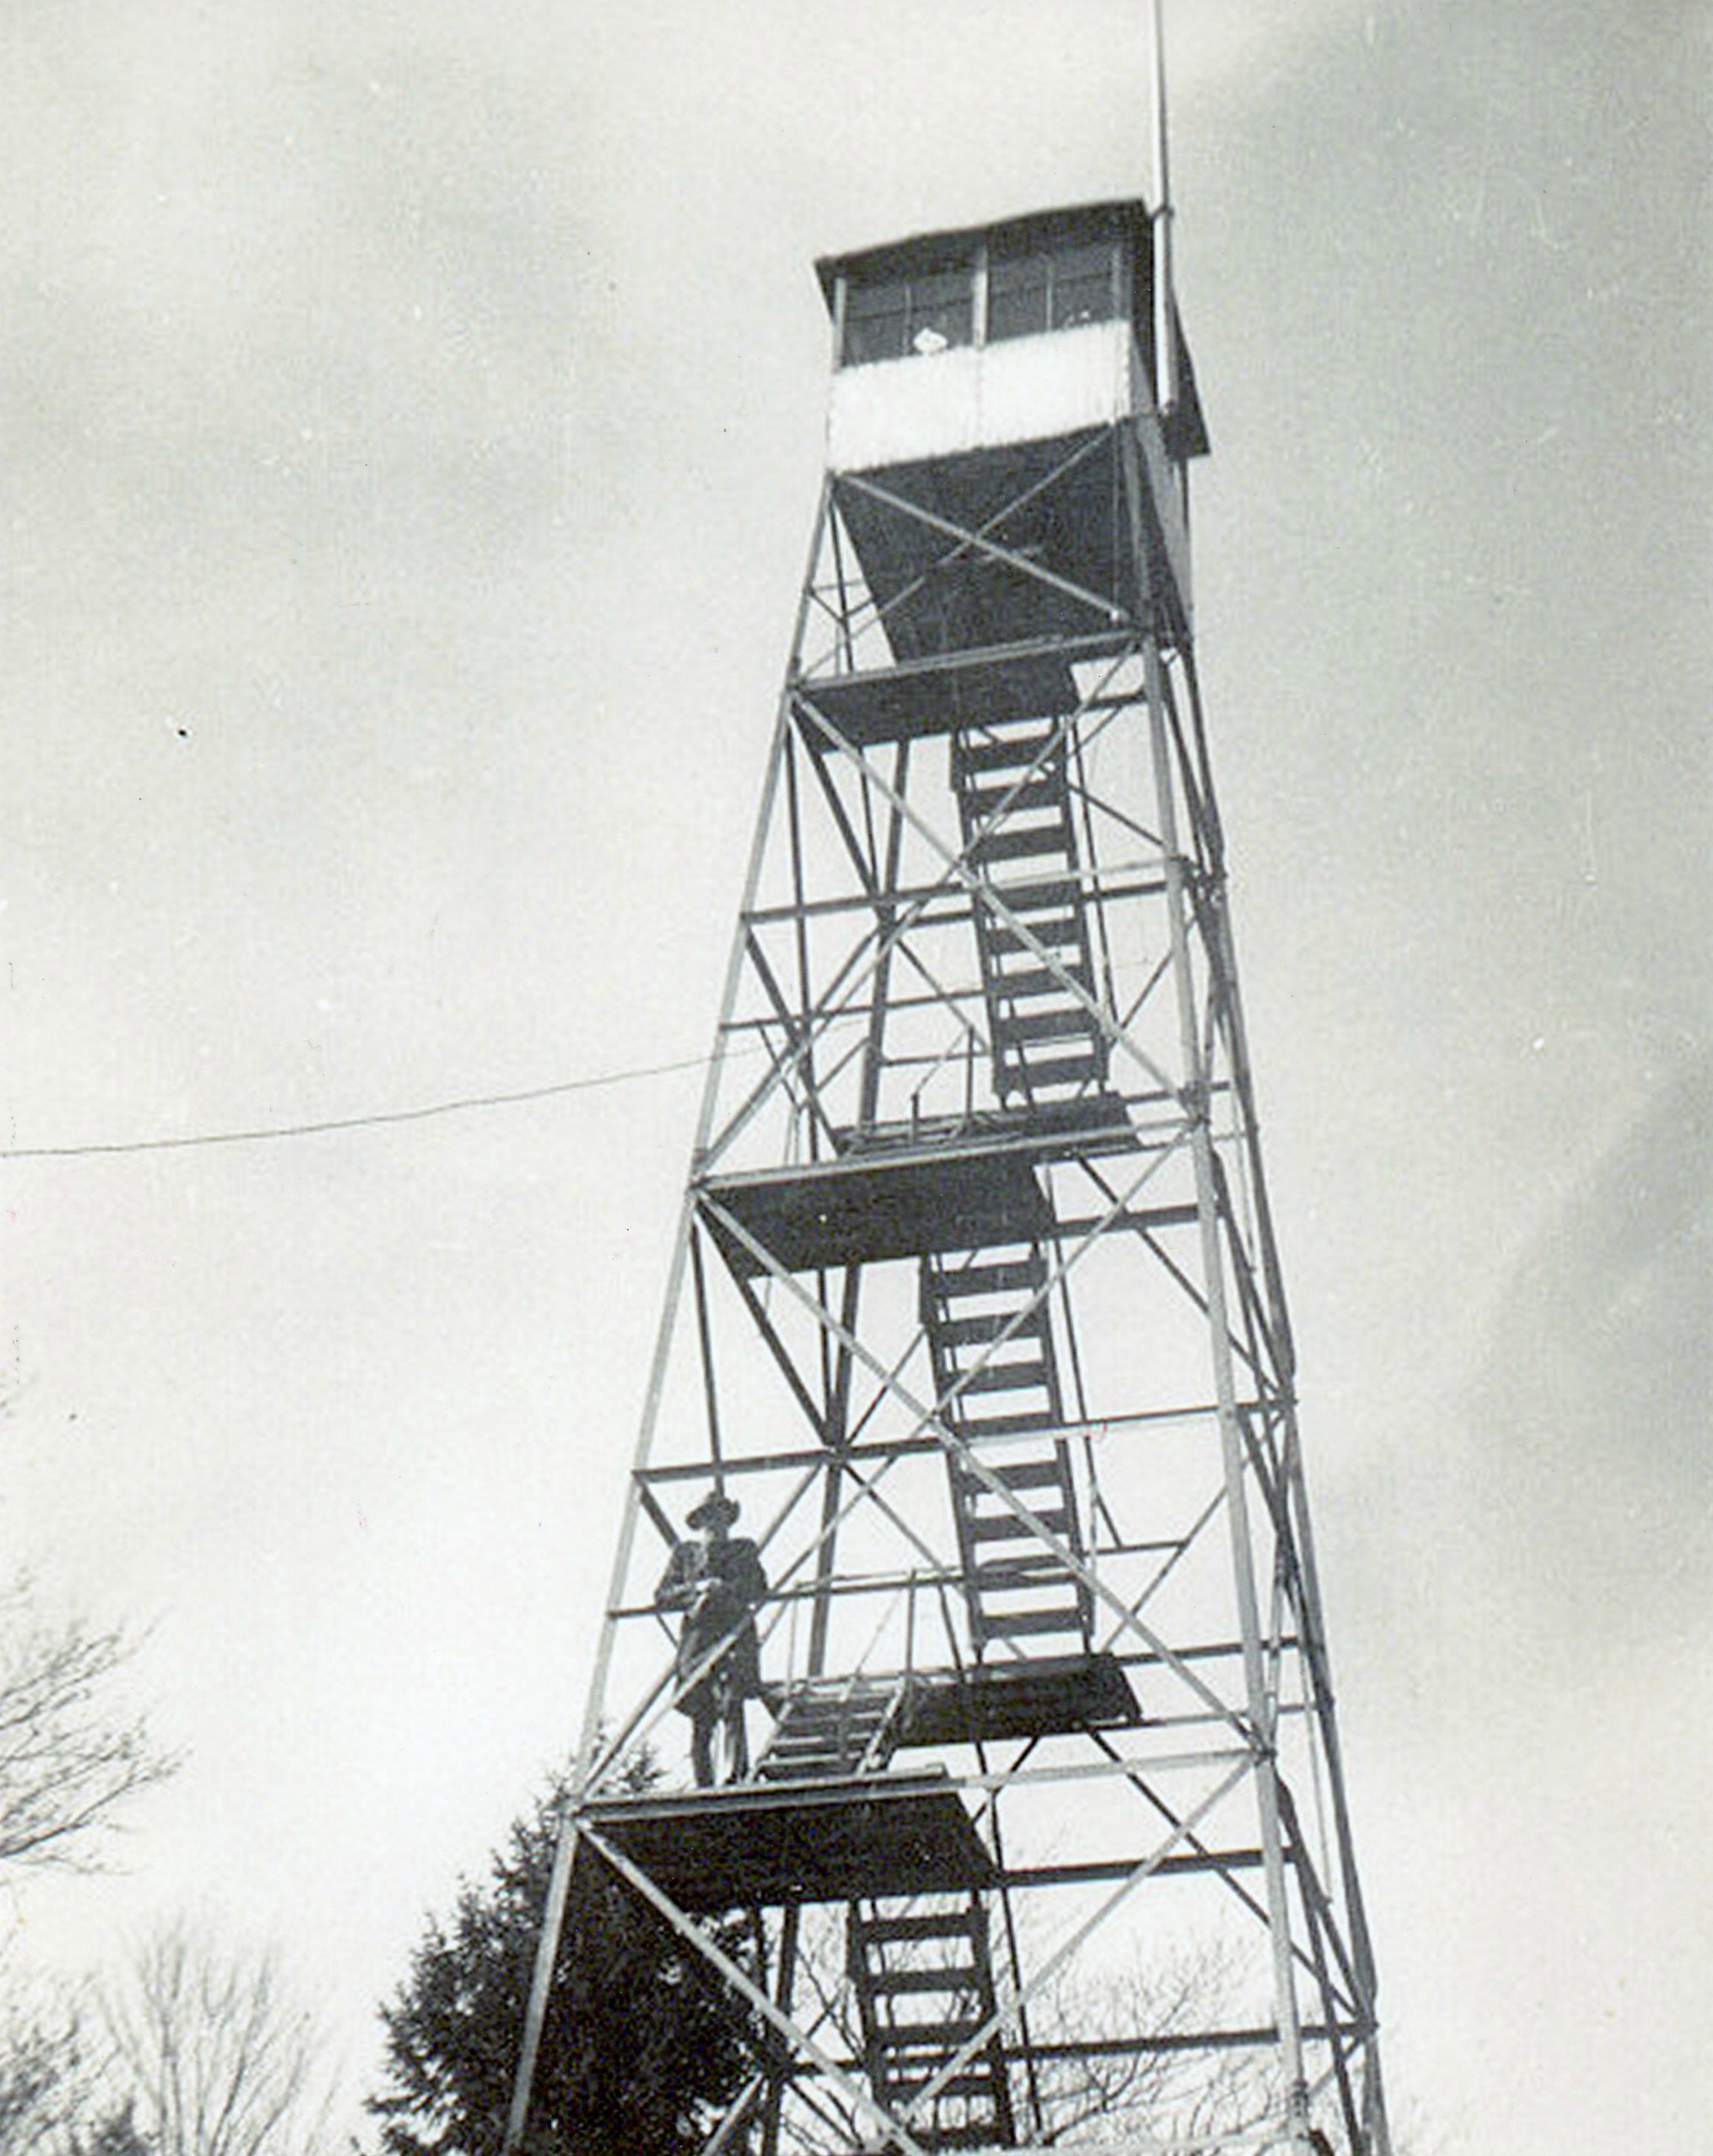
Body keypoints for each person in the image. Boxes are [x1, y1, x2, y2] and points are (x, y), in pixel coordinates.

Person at [654, 1490, 767, 1788]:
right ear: (699, 1523)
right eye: (708, 1518)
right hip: (698, 1642)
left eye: (720, 1517)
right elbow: (662, 1596)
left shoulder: (743, 1550)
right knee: (701, 1713)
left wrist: (724, 1587)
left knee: (732, 1702)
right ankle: (703, 1781)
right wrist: (697, 1590)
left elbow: (758, 1587)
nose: (715, 1524)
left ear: (728, 1520)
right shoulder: (685, 1555)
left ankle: (736, 1775)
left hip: (734, 1635)